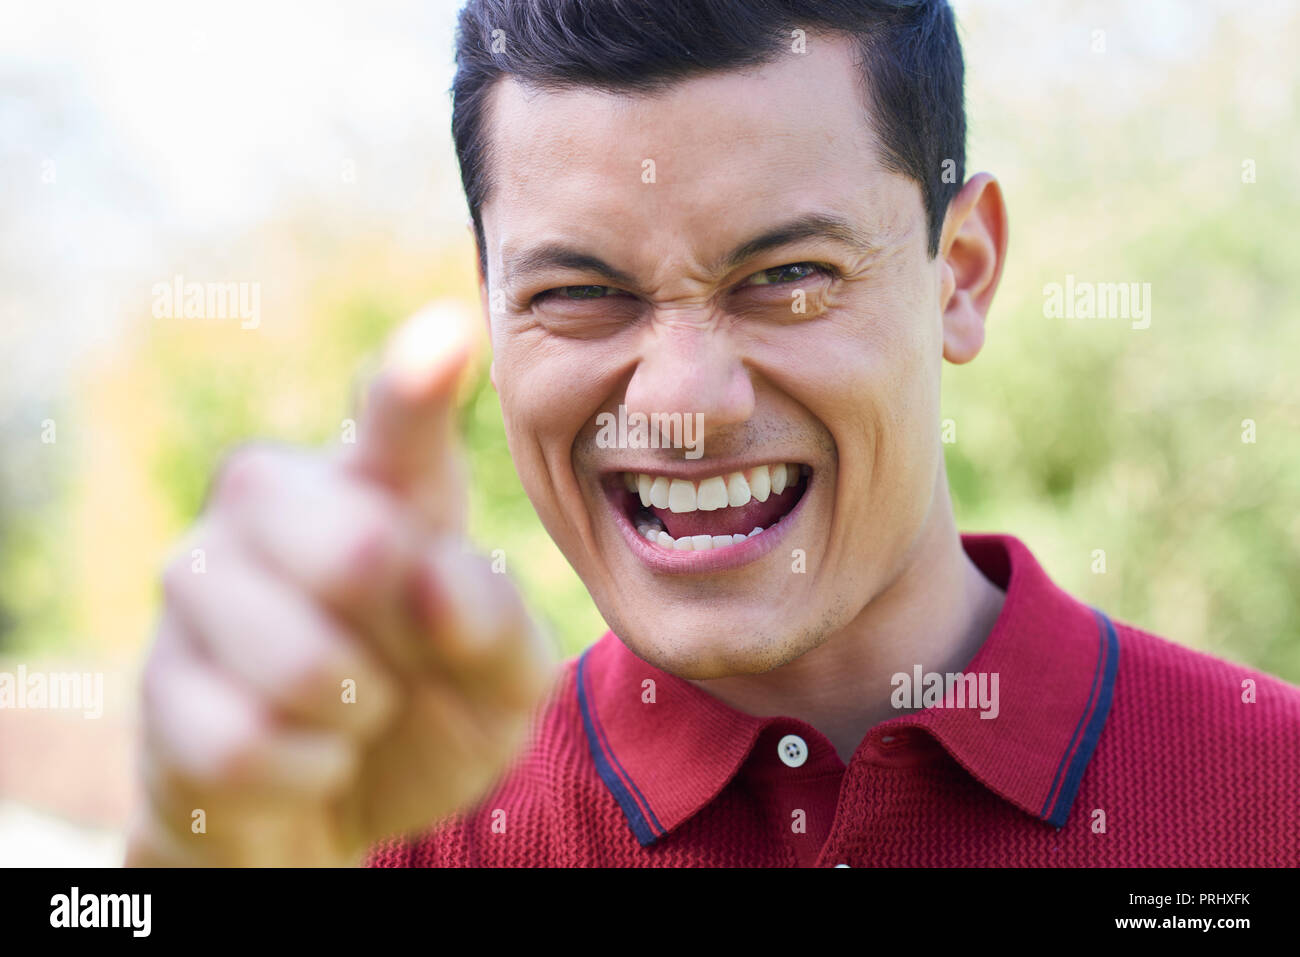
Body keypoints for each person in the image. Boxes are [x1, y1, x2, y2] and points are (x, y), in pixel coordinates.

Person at [126, 0, 1300, 867]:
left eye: (787, 275)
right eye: (580, 293)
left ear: (962, 272)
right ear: (487, 303)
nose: (684, 403)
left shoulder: (1270, 797)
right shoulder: (380, 834)